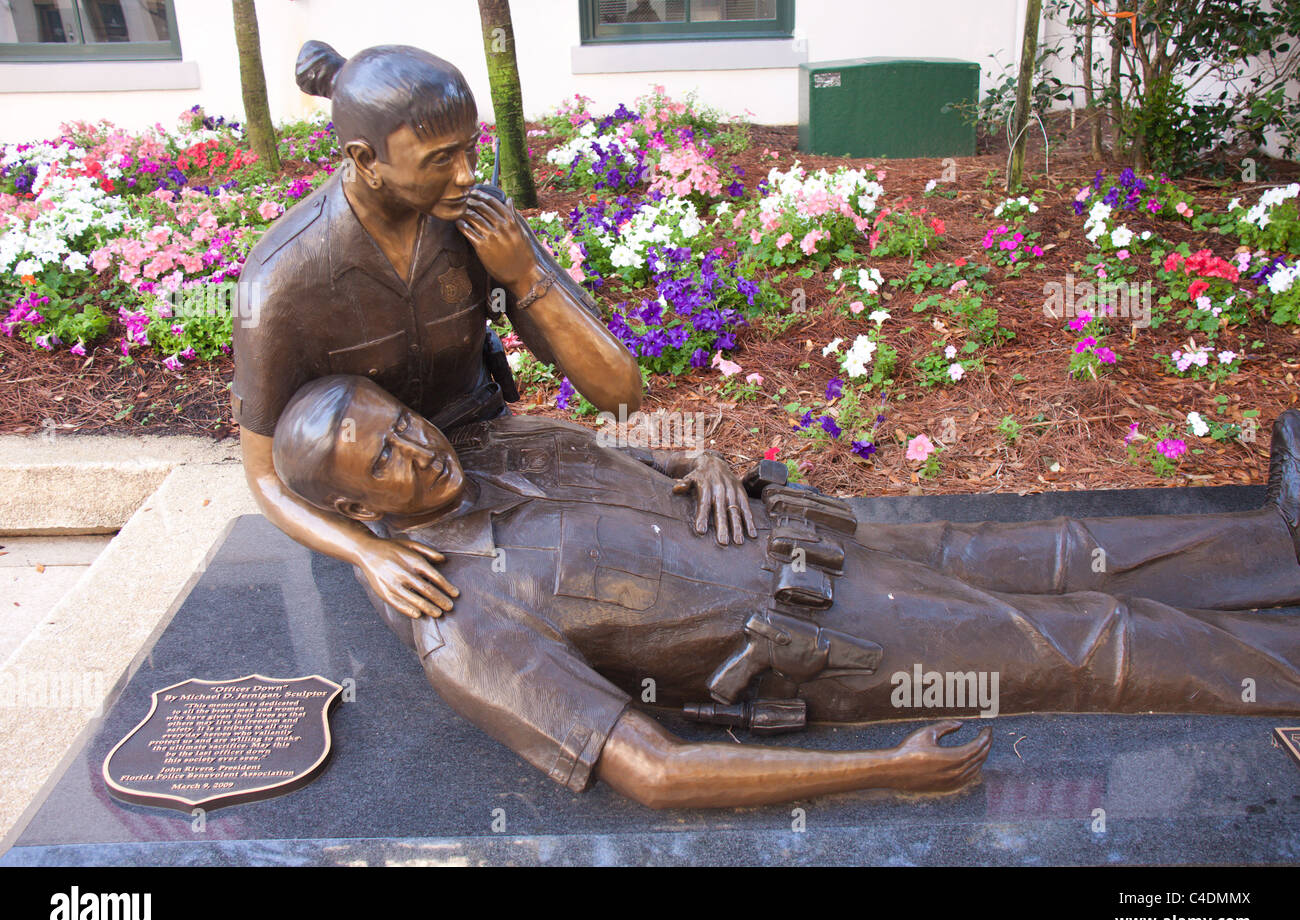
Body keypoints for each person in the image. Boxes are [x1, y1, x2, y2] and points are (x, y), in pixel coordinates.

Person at [271, 375, 1300, 809]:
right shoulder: (462, 623)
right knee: (1088, 640)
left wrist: (706, 455)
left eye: (402, 421)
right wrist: (876, 771)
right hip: (837, 641)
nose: (418, 449)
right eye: (384, 462)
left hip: (820, 538)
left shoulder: (497, 446)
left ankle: (1278, 547)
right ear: (357, 511)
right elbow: (655, 770)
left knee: (1062, 549)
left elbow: (630, 439)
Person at [233, 42, 642, 628]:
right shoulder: (281, 281)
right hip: (380, 496)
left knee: (627, 558)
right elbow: (266, 474)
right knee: (479, 626)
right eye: (439, 159)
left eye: (473, 149)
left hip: (487, 448)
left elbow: (622, 396)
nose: (467, 175)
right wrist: (365, 550)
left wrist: (523, 275)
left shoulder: (477, 220)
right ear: (364, 158)